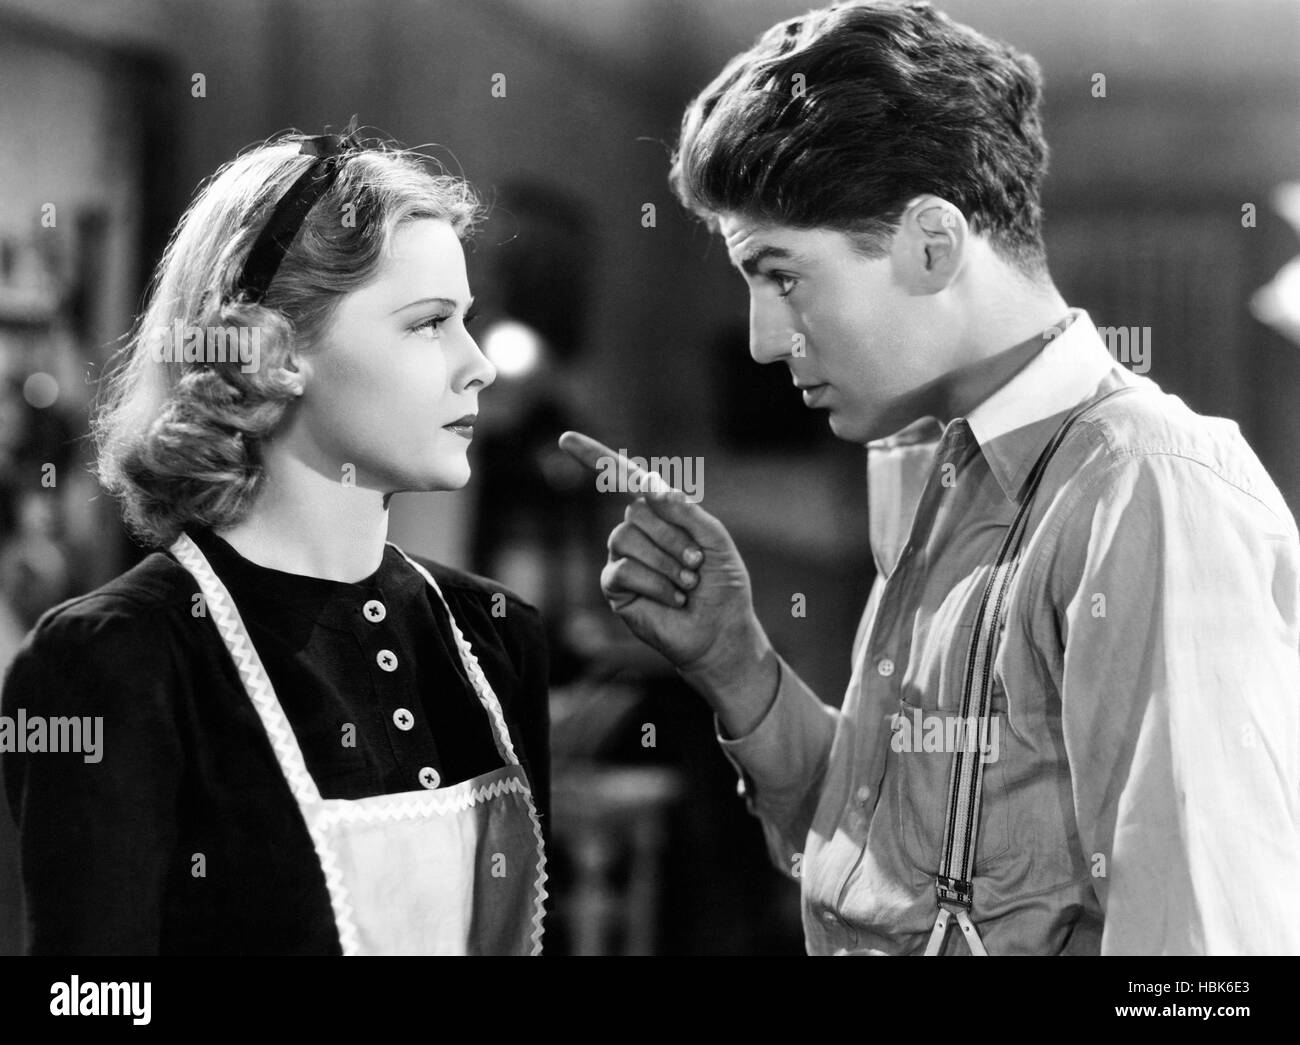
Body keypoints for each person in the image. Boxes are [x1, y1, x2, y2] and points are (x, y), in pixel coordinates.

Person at [561, 0, 1300, 955]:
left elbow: (1206, 959)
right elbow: (897, 857)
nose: (760, 338)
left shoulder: (1145, 486)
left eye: (781, 274)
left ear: (932, 244)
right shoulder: (937, 465)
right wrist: (737, 664)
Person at [1, 129, 550, 955]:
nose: (477, 366)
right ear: (276, 352)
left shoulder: (496, 634)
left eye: (467, 321)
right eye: (429, 323)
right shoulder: (118, 659)